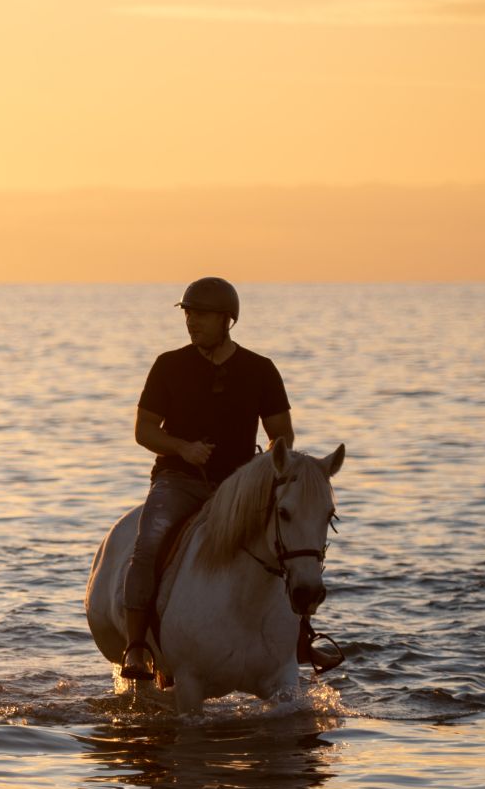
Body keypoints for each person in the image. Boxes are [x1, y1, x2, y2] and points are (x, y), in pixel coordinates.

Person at [122, 276, 333, 680]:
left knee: (290, 546)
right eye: (188, 313)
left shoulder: (260, 370)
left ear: (227, 319)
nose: (191, 322)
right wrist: (182, 447)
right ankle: (135, 647)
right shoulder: (169, 365)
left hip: (239, 488)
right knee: (147, 546)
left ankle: (301, 639)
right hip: (178, 481)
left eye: (200, 314)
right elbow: (144, 430)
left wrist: (258, 474)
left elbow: (282, 438)